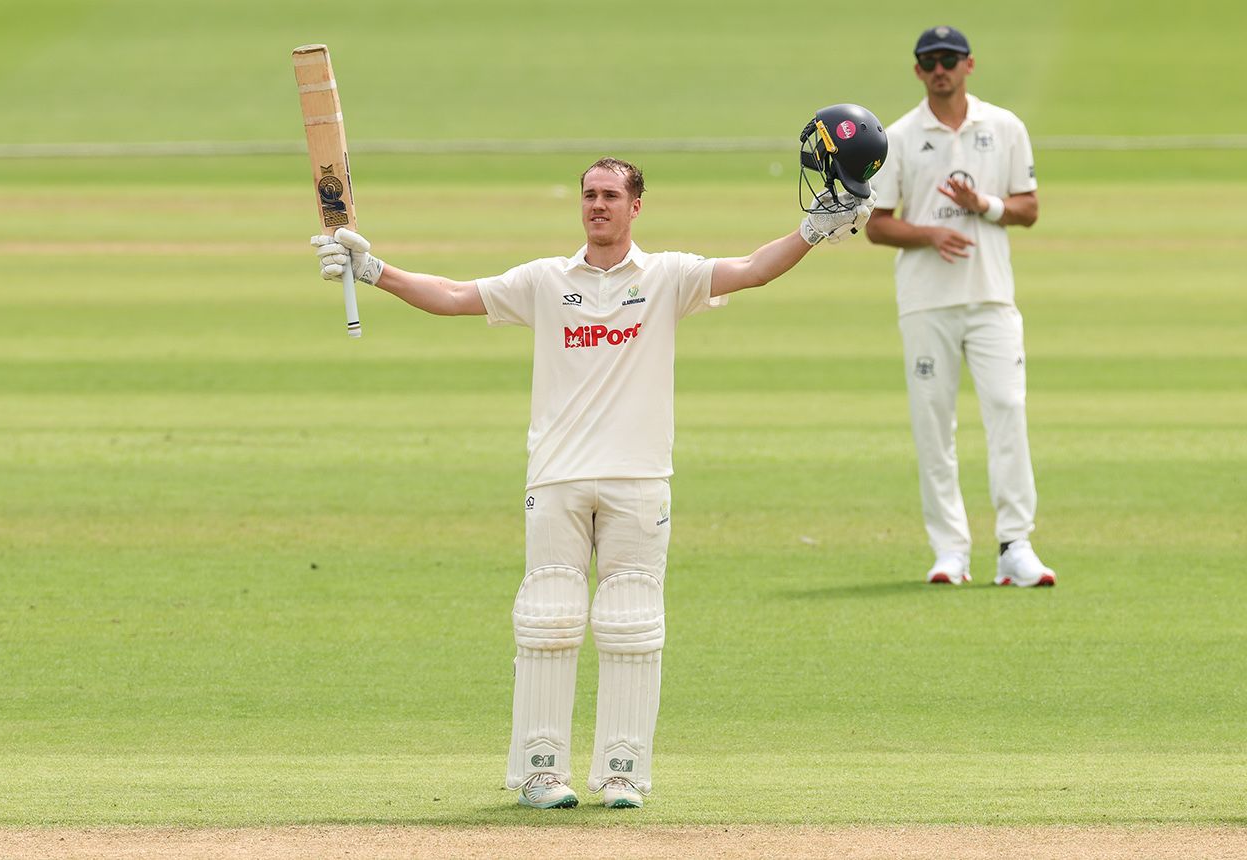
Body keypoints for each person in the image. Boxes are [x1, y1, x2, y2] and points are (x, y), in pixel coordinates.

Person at [312, 138, 878, 808]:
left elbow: (753, 269)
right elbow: (456, 295)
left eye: (611, 196)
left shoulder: (668, 276)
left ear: (636, 206)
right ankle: (541, 771)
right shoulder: (546, 281)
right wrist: (375, 270)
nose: (598, 206)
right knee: (549, 619)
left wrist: (813, 230)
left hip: (639, 478)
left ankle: (621, 773)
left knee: (631, 623)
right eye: (589, 195)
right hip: (557, 477)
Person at [864, 26, 1056, 588]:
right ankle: (950, 550)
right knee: (933, 426)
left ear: (969, 64)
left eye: (948, 59)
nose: (939, 69)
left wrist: (984, 205)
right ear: (918, 71)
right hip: (926, 303)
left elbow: (1029, 208)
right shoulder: (897, 137)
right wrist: (930, 235)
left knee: (1007, 410)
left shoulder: (1004, 127)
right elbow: (877, 225)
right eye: (929, 62)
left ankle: (1016, 546)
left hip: (992, 297)